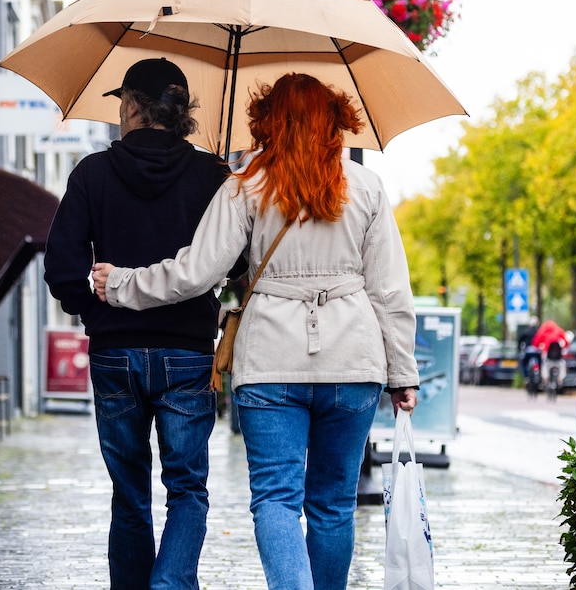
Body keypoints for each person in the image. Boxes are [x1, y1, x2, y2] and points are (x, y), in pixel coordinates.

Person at [92, 73, 420, 590]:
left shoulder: (246, 187)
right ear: (333, 119)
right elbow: (390, 292)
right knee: (333, 503)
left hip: (270, 363)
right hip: (353, 363)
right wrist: (403, 371)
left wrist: (122, 285)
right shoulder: (367, 187)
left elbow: (194, 273)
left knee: (275, 499)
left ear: (268, 120)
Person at [42, 57, 234, 589]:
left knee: (129, 491)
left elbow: (60, 263)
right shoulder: (214, 177)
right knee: (187, 488)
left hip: (115, 353)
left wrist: (94, 308)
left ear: (129, 108)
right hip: (188, 353)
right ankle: (170, 584)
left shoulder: (92, 174)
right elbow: (236, 260)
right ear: (181, 114)